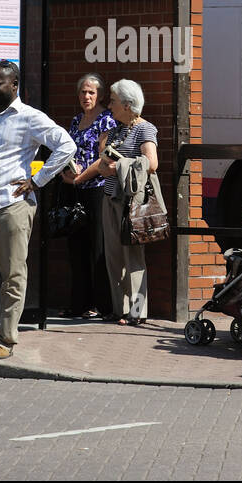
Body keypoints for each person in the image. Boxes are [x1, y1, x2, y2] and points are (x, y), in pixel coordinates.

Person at [0, 61, 75, 359]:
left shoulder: (30, 117)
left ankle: (5, 339)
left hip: (12, 206)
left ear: (15, 85)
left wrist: (37, 180)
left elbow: (65, 145)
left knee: (13, 274)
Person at [74, 79, 158, 327]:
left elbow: (151, 163)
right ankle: (119, 309)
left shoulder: (145, 129)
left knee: (132, 256)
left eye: (112, 100)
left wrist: (118, 166)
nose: (109, 104)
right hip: (110, 198)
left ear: (127, 104)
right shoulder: (117, 129)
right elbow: (102, 163)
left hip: (131, 202)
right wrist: (88, 173)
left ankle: (138, 311)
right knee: (112, 257)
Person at [57, 73, 117, 319]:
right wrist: (65, 173)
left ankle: (100, 304)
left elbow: (104, 158)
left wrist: (81, 177)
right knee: (76, 247)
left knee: (96, 248)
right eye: (83, 92)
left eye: (91, 92)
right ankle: (78, 303)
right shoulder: (76, 120)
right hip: (74, 189)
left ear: (100, 95)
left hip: (96, 190)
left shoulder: (107, 120)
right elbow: (68, 151)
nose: (86, 96)